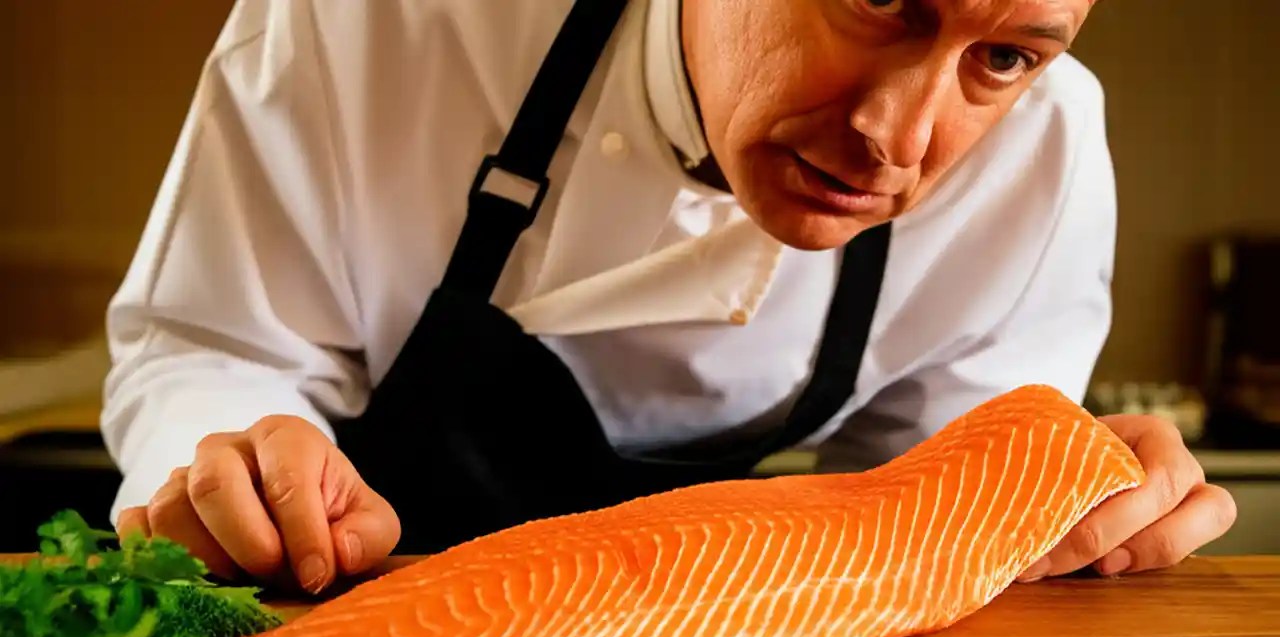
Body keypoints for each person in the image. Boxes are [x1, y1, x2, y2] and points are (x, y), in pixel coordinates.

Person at [103, 0, 1236, 595]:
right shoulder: (377, 18)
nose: (895, 139)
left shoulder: (1042, 152)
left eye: (1004, 59)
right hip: (347, 601)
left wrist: (1060, 502)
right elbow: (212, 344)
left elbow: (935, 526)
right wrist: (238, 462)